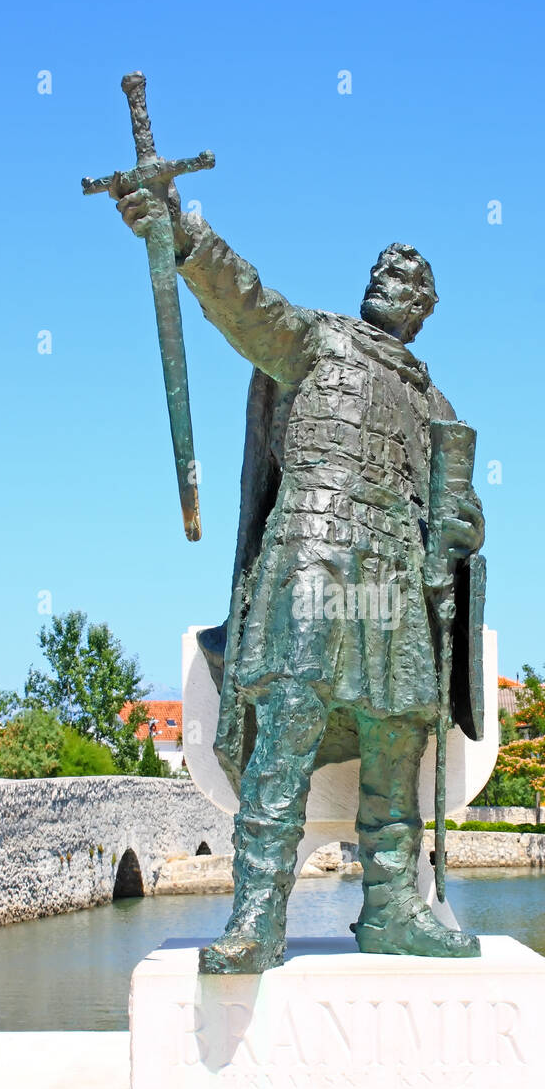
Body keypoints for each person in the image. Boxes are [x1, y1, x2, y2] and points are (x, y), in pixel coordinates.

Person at [117, 183, 485, 972]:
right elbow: (244, 300)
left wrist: (461, 530)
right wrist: (182, 232)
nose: (392, 276)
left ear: (424, 309)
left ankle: (391, 907)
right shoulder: (315, 340)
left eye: (409, 278)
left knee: (397, 738)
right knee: (288, 727)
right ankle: (256, 917)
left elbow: (465, 511)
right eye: (385, 267)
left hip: (395, 576)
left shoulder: (435, 404)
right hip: (312, 552)